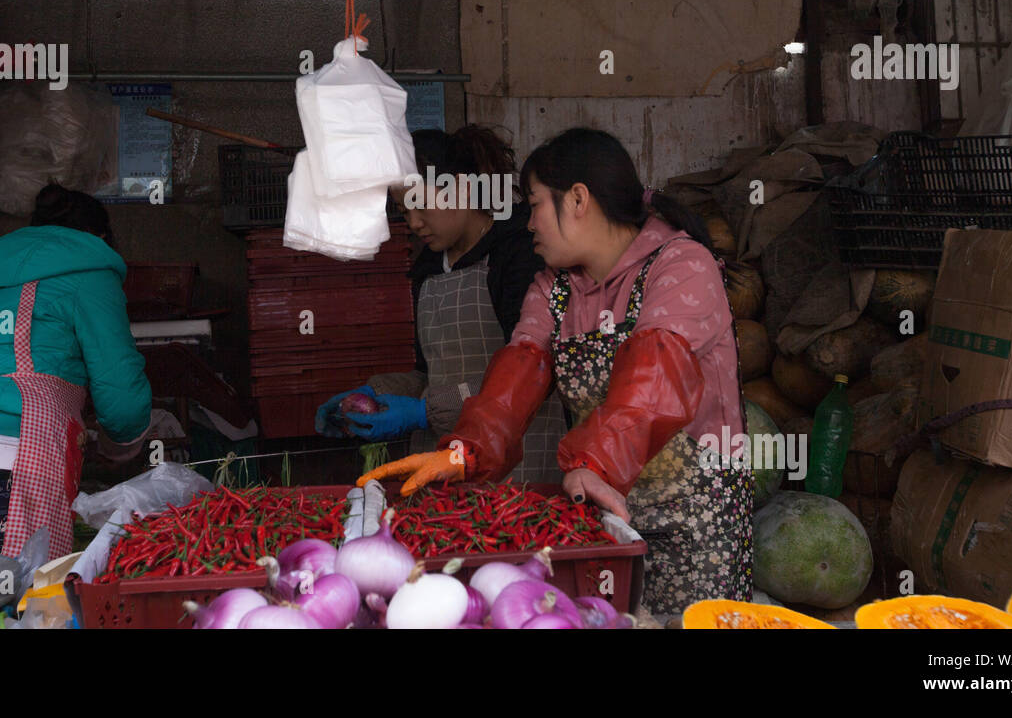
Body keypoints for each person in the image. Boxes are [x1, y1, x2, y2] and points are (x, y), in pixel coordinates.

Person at [360, 128, 749, 615]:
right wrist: (466, 449)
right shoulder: (555, 286)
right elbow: (521, 367)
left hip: (691, 519)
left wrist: (597, 464)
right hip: (602, 513)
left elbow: (657, 375)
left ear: (579, 199)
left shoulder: (682, 266)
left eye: (536, 204)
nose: (528, 223)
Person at [0, 185, 152, 562]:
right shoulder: (89, 273)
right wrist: (121, 447)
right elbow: (120, 391)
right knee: (23, 614)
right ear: (101, 237)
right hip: (5, 476)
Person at [315, 125, 567, 484]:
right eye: (404, 211)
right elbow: (428, 375)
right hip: (444, 458)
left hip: (520, 461)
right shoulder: (429, 272)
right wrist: (377, 392)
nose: (414, 223)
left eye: (421, 205)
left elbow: (537, 374)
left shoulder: (518, 255)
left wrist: (423, 411)